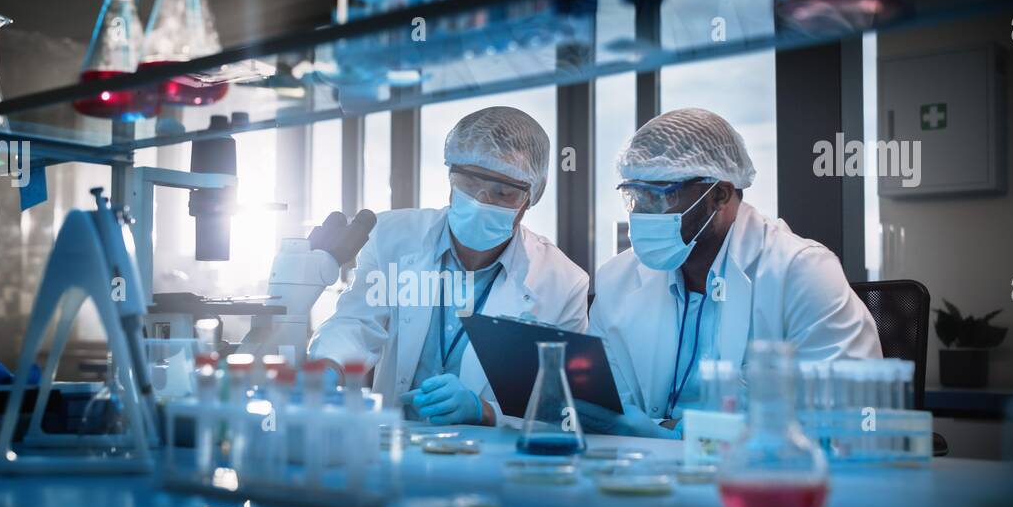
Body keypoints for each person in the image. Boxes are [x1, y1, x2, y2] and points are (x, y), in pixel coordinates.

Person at [580, 107, 881, 438]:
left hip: (759, 480)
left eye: (661, 196)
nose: (642, 214)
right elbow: (604, 412)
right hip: (646, 479)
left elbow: (846, 416)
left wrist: (680, 433)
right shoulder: (616, 279)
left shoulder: (802, 272)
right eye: (636, 195)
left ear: (719, 194)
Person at [310, 106, 589, 426]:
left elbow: (562, 405)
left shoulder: (562, 283)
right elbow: (356, 322)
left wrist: (485, 411)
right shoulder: (391, 237)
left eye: (503, 192)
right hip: (393, 444)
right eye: (469, 182)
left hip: (490, 461)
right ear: (450, 176)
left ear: (531, 195)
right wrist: (328, 366)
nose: (481, 200)